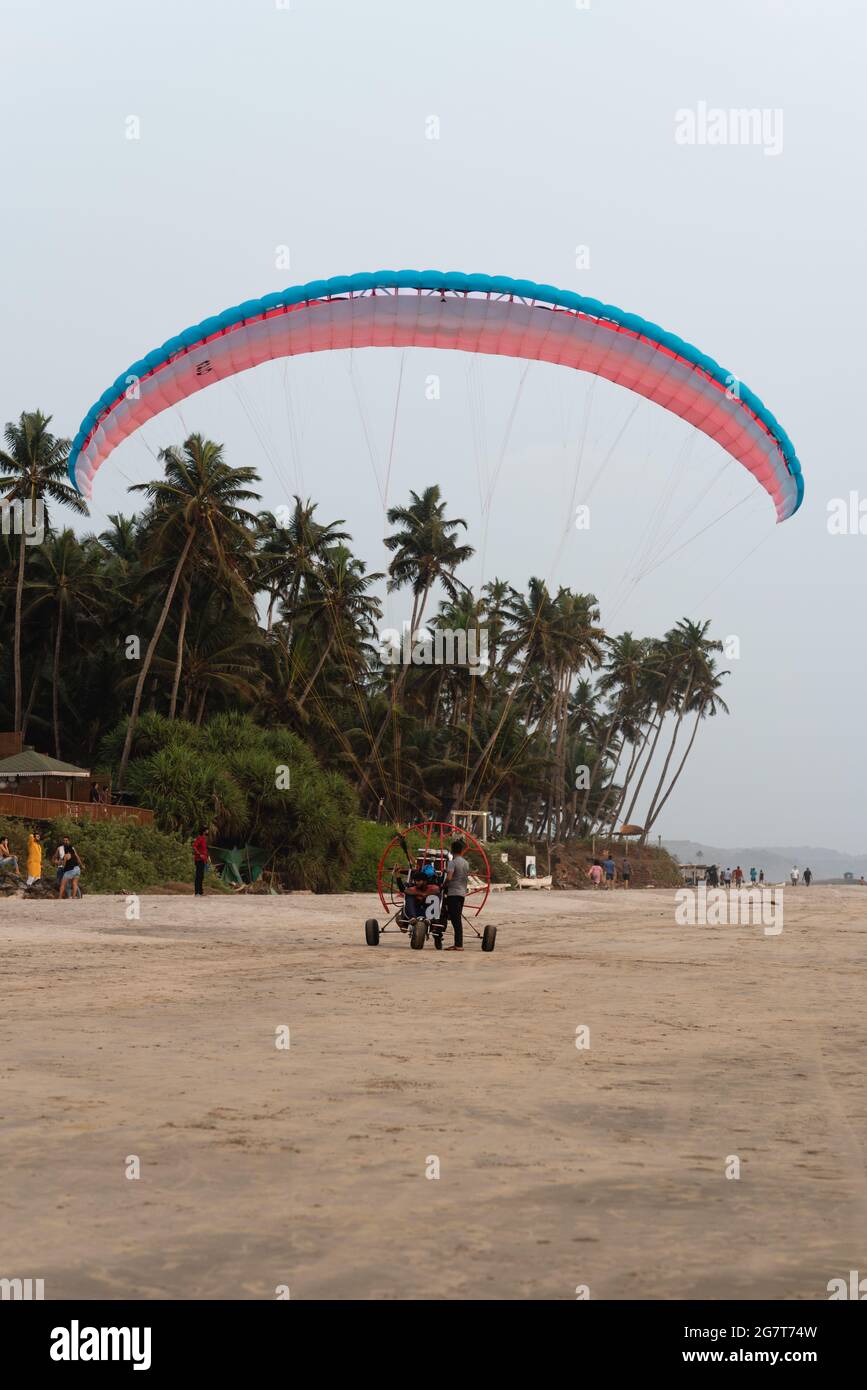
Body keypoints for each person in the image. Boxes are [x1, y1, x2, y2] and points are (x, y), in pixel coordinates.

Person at [444, 839, 469, 951]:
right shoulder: (466, 863)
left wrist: (443, 885)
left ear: (452, 850)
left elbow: (449, 878)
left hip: (453, 893)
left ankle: (458, 945)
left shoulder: (452, 863)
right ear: (462, 851)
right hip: (462, 893)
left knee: (455, 919)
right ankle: (458, 944)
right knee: (456, 918)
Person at [193, 828, 210, 896]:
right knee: (198, 876)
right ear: (203, 831)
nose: (208, 831)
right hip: (199, 860)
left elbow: (204, 850)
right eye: (206, 830)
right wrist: (199, 854)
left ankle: (200, 892)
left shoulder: (204, 839)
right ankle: (197, 892)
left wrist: (207, 858)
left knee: (201, 876)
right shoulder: (200, 838)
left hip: (203, 860)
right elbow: (194, 846)